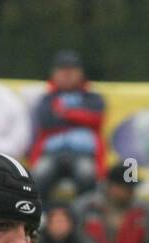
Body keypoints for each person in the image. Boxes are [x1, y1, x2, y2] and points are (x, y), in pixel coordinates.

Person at [28, 50, 106, 202]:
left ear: (81, 73)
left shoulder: (93, 97)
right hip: (51, 153)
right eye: (62, 70)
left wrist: (65, 113)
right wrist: (80, 116)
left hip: (83, 154)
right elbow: (46, 121)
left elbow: (96, 119)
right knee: (39, 174)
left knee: (87, 174)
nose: (67, 75)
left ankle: (85, 215)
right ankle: (40, 216)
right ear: (54, 74)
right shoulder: (46, 98)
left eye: (72, 70)